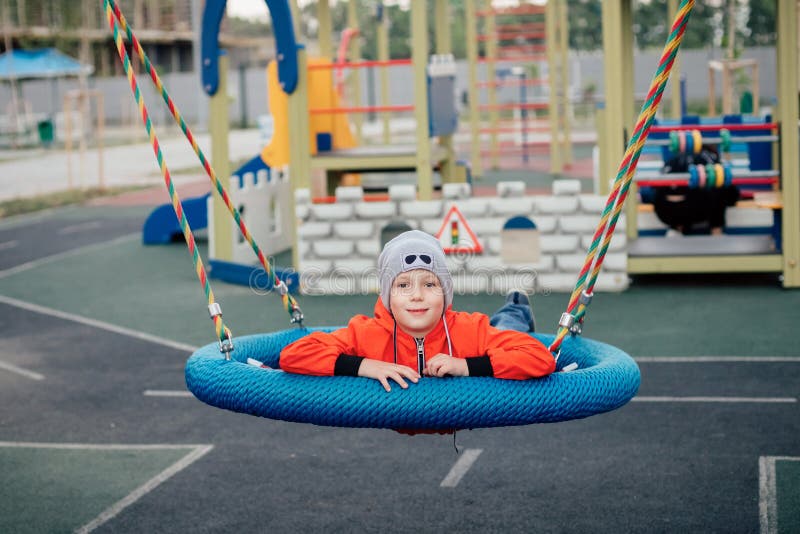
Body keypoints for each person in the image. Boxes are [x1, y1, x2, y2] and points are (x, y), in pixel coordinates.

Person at [280, 230, 555, 392]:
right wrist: (365, 365)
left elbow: (540, 358)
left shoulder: (470, 329)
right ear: (387, 296)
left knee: (506, 328)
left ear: (445, 292)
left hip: (482, 339)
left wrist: (465, 365)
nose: (417, 295)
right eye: (402, 285)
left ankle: (516, 307)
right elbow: (294, 354)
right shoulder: (365, 333)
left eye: (430, 284)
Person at [652, 145, 739, 236]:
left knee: (675, 193)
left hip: (664, 212)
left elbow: (653, 189)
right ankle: (716, 230)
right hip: (698, 209)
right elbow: (732, 193)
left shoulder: (672, 159)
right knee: (719, 186)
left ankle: (676, 228)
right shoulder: (710, 159)